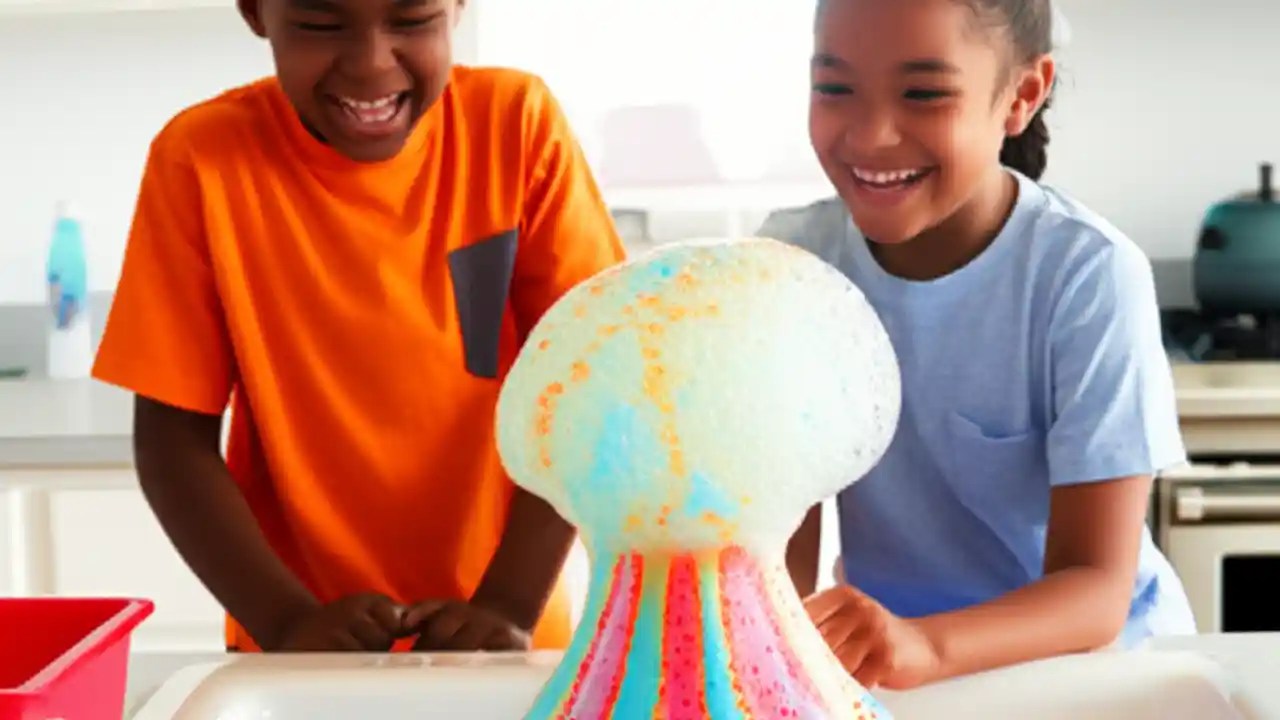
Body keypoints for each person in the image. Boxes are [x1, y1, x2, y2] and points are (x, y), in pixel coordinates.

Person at [92, 0, 625, 654]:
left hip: (507, 635)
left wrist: (508, 604)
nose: (371, 63)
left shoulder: (516, 124)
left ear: (458, 7)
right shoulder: (202, 158)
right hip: (293, 644)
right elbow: (172, 447)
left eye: (412, 21)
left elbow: (588, 390)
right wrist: (286, 621)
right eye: (321, 26)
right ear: (256, 12)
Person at [771, 0, 1196, 691]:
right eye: (835, 88)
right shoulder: (795, 261)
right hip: (903, 674)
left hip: (1103, 678)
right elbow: (774, 546)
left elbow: (1095, 587)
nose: (872, 135)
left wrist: (926, 647)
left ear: (1022, 95)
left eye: (924, 94)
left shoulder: (1086, 276)